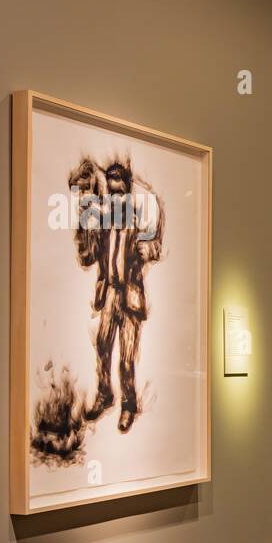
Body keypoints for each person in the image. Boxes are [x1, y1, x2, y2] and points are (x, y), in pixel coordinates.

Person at [71, 154, 164, 435]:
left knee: (126, 357)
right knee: (102, 344)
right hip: (110, 291)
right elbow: (87, 257)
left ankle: (128, 405)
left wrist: (143, 250)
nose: (114, 197)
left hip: (130, 294)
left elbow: (154, 249)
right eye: (110, 192)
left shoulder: (139, 221)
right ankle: (104, 394)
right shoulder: (102, 223)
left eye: (119, 191)